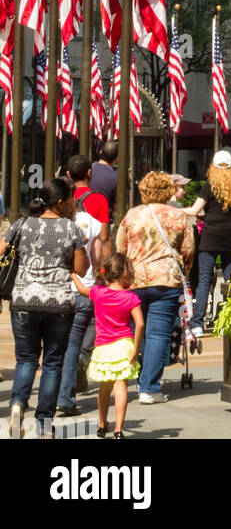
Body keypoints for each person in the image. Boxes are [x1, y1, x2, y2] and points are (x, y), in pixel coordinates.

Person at [0, 177, 87, 437]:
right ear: (61, 202)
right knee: (52, 363)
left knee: (25, 359)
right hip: (58, 303)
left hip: (24, 300)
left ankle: (17, 404)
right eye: (72, 199)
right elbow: (81, 269)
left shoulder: (22, 224)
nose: (74, 203)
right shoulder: (71, 229)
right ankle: (44, 423)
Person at [115, 171, 196, 404]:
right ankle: (149, 387)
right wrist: (184, 273)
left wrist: (123, 276)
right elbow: (188, 250)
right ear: (169, 190)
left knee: (136, 331)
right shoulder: (178, 215)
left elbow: (120, 247)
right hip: (166, 279)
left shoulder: (132, 214)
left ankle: (141, 377)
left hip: (135, 280)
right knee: (159, 334)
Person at [56, 155, 112, 415]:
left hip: (56, 287)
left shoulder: (54, 215)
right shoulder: (97, 203)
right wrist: (102, 271)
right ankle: (75, 373)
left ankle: (52, 393)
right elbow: (103, 241)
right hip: (86, 283)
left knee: (57, 344)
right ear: (90, 173)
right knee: (82, 335)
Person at [74, 253, 144, 440]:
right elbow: (140, 324)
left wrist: (73, 274)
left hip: (103, 347)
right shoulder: (131, 298)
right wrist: (136, 349)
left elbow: (81, 289)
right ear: (124, 273)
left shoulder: (97, 292)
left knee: (104, 388)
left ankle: (102, 423)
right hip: (123, 345)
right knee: (121, 387)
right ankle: (119, 430)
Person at [185, 150, 231, 339]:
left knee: (204, 280)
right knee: (230, 278)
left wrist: (174, 211)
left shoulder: (209, 185)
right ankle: (230, 319)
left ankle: (197, 324)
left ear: (214, 166)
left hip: (211, 235)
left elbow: (195, 210)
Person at [89, 142, 119, 216]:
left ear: (100, 152)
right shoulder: (116, 177)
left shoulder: (87, 169)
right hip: (104, 221)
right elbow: (117, 207)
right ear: (117, 158)